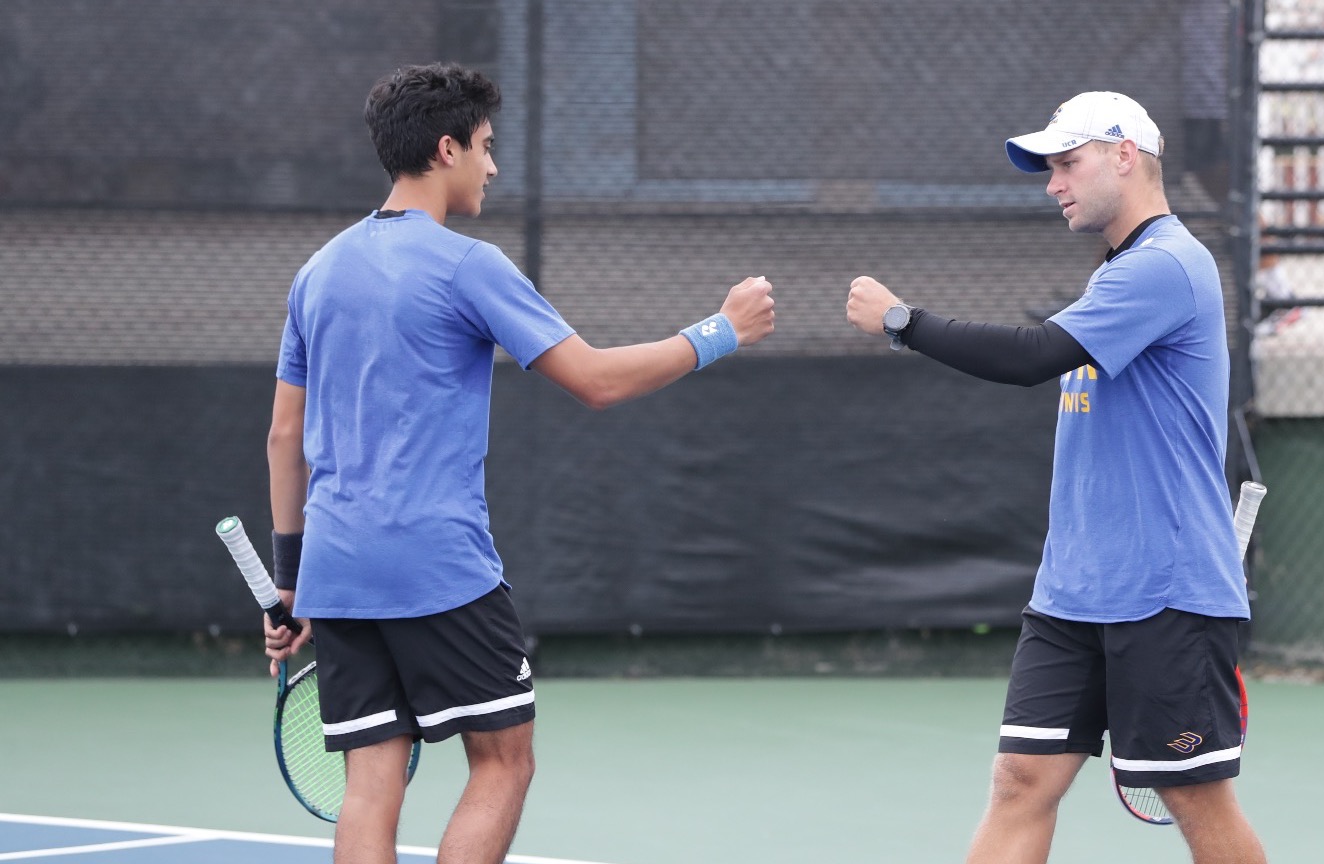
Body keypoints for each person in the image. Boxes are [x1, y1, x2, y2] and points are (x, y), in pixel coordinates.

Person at [263, 62, 774, 864]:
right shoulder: (468, 265)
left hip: (336, 569)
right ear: (446, 149)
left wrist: (290, 580)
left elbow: (282, 436)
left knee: (369, 785)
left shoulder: (315, 273)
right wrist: (721, 332)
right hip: (436, 563)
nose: (493, 166)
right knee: (503, 762)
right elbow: (595, 381)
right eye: (485, 146)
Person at [846, 91, 1265, 863]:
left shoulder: (1167, 264)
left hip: (1164, 591)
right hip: (1072, 592)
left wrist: (904, 322)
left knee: (1195, 797)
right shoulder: (1115, 276)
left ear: (1124, 156)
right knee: (1019, 781)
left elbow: (1029, 358)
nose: (1053, 183)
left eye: (1067, 163)